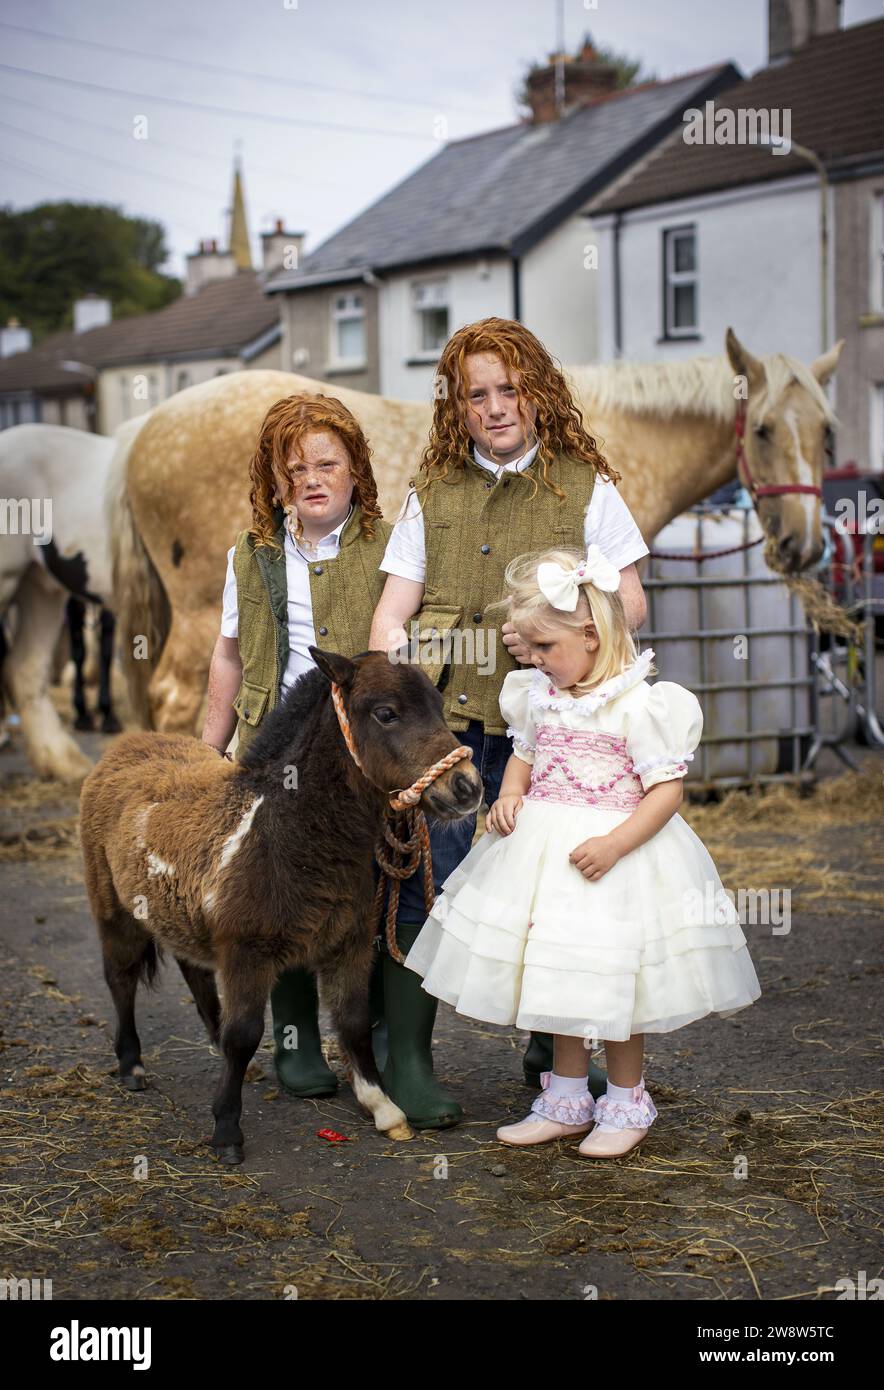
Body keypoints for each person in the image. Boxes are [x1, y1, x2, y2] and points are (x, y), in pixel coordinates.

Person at [369, 317, 650, 1121]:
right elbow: (393, 610)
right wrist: (402, 688)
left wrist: (568, 626)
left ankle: (551, 1056)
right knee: (433, 879)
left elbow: (630, 597)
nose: (494, 408)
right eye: (475, 395)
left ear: (537, 394)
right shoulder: (433, 494)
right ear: (457, 406)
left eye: (508, 390)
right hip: (452, 731)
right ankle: (409, 1060)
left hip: (555, 732)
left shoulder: (585, 486)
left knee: (551, 891)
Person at [404, 545, 763, 1158]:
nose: (535, 661)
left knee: (616, 984)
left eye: (546, 649)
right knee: (557, 978)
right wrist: (511, 795)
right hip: (545, 859)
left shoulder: (641, 704)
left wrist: (616, 843)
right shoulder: (539, 696)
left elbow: (666, 792)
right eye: (532, 650)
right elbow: (525, 754)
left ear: (592, 635)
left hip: (617, 862)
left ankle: (626, 1100)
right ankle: (566, 1096)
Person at [201, 393, 392, 1101]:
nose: (310, 479)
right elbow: (227, 656)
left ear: (354, 471)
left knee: (363, 896)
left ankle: (380, 1048)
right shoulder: (250, 556)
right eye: (293, 469)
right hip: (271, 746)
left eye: (325, 464)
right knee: (272, 896)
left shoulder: (389, 545)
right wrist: (210, 748)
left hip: (356, 754)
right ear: (273, 479)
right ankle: (295, 1045)